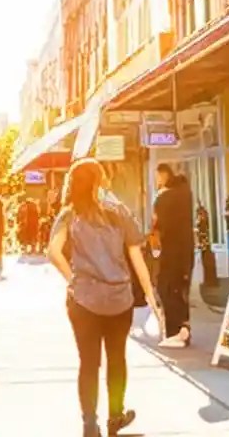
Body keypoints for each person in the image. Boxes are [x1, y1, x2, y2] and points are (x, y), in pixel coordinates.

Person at [47, 158, 157, 437]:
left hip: (83, 301)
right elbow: (136, 255)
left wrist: (73, 279)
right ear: (97, 181)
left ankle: (89, 423)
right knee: (117, 358)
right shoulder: (117, 212)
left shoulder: (69, 215)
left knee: (88, 362)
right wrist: (150, 294)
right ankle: (115, 417)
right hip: (119, 300)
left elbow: (53, 251)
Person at [152, 164, 194, 348]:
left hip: (171, 252)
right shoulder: (185, 194)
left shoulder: (165, 197)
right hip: (186, 252)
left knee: (166, 288)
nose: (157, 182)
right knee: (180, 290)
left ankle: (175, 330)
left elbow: (157, 225)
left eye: (158, 177)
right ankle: (183, 327)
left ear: (164, 175)